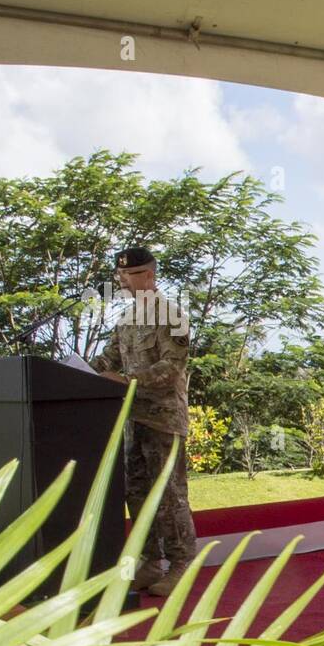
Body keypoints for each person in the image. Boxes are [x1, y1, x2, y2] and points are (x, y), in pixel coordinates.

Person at [90, 246, 196, 597]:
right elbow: (106, 361)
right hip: (133, 419)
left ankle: (181, 565)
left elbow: (171, 368)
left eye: (130, 274)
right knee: (135, 493)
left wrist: (130, 380)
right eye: (120, 274)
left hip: (164, 419)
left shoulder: (171, 316)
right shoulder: (126, 319)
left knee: (170, 495)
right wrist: (77, 372)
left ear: (148, 275)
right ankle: (151, 561)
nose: (122, 279)